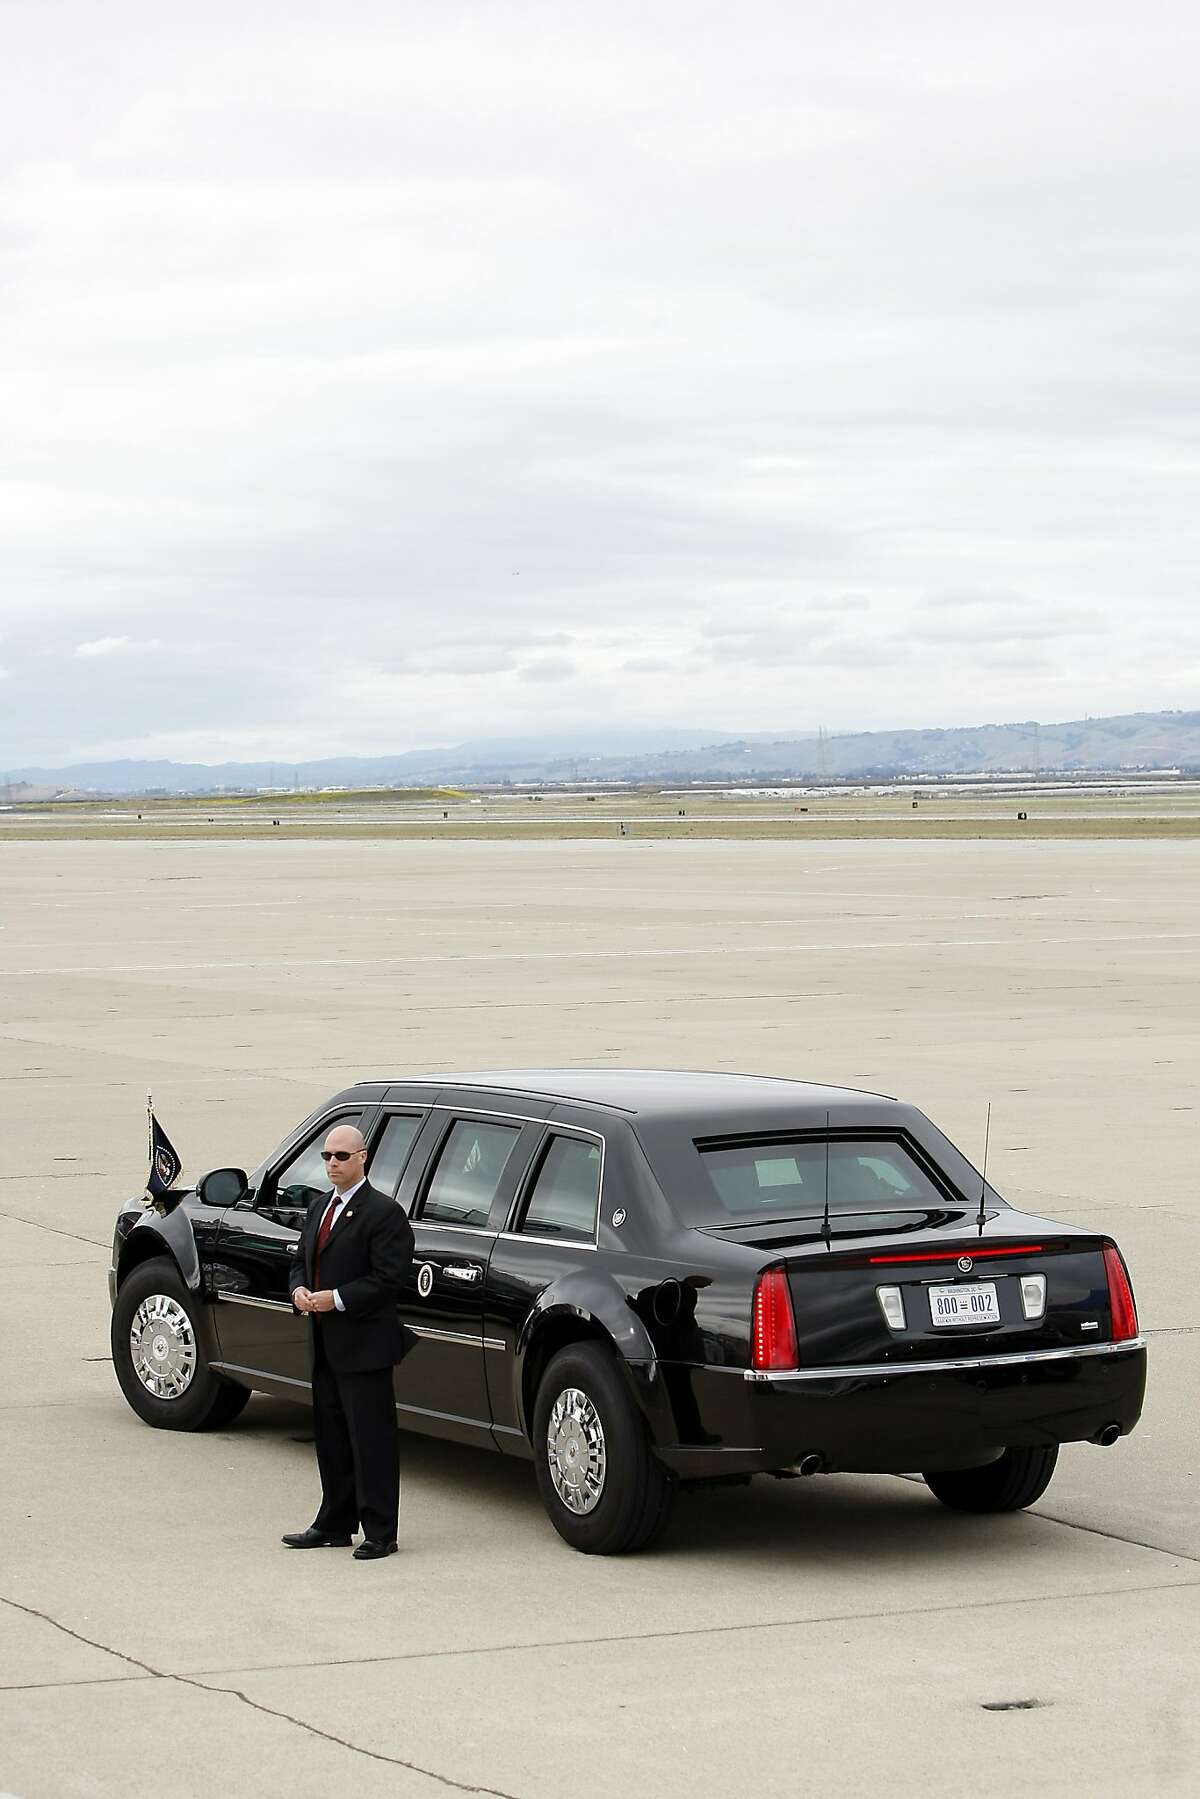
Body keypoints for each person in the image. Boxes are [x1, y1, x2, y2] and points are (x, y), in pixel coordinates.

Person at [282, 1123, 414, 1560]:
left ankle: (380, 1530)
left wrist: (335, 1299)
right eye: (326, 1157)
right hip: (324, 1343)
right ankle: (335, 1522)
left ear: (363, 1157)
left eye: (341, 1156)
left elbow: (388, 1279)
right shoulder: (320, 1208)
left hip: (365, 1346)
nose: (332, 1164)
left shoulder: (383, 1213)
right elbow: (302, 1261)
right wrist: (300, 1292)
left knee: (370, 1439)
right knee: (332, 1436)